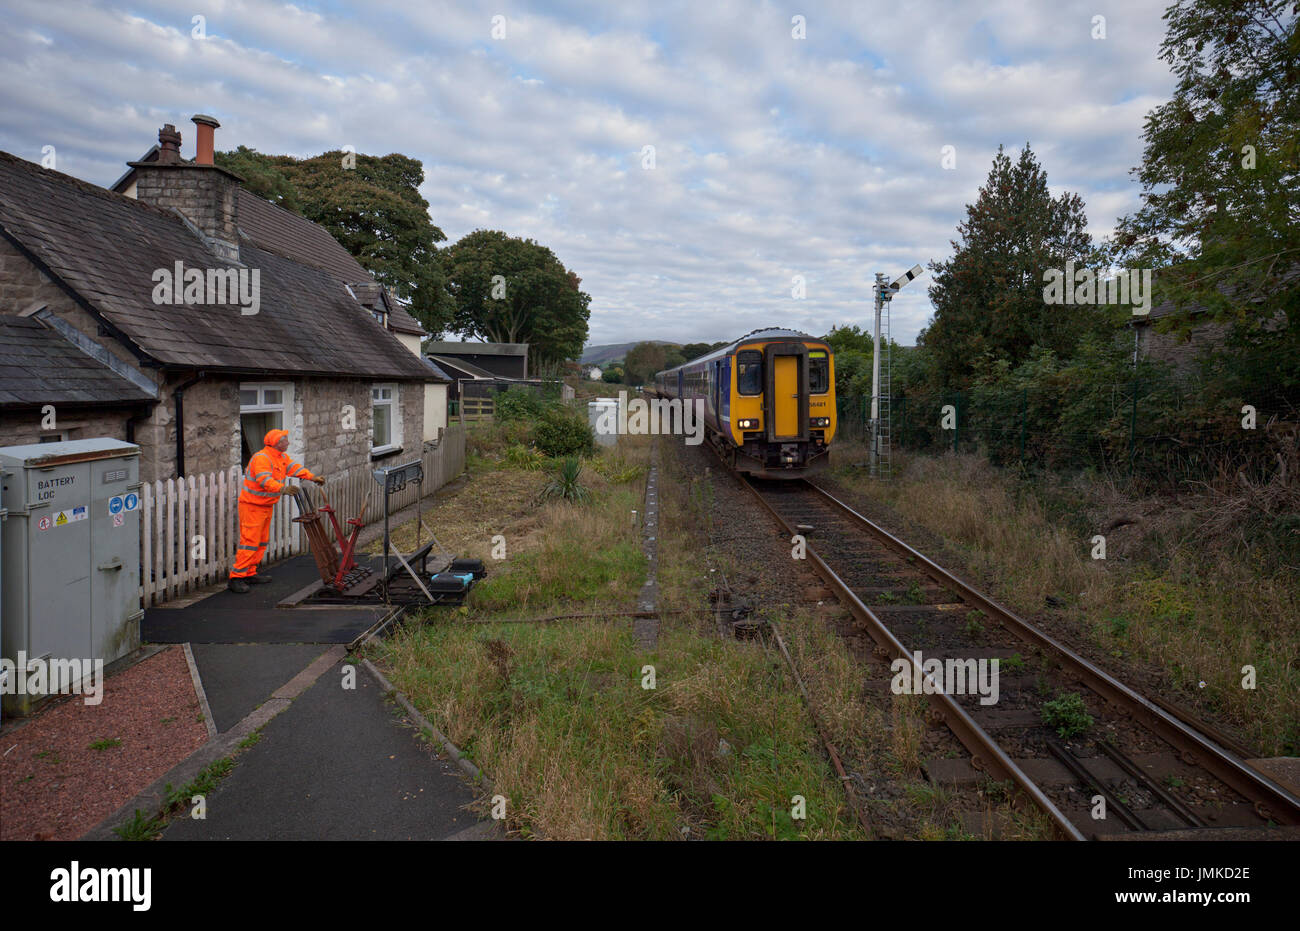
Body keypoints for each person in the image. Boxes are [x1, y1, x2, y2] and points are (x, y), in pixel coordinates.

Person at [229, 428, 324, 593]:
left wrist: (312, 476)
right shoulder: (262, 458)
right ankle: (236, 577)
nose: (288, 442)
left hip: (264, 505)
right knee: (250, 542)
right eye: (285, 440)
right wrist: (283, 489)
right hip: (252, 506)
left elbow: (294, 468)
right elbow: (264, 480)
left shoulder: (280, 457)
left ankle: (249, 573)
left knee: (261, 542)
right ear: (277, 443)